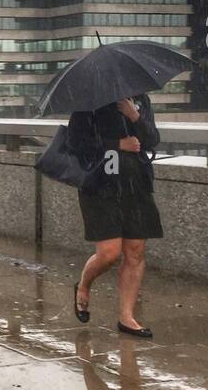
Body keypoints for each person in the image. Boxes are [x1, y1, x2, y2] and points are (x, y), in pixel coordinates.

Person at [68, 94, 162, 338]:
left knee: (135, 251)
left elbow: (152, 139)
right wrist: (116, 145)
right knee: (109, 254)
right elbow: (76, 143)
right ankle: (84, 285)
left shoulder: (140, 99)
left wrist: (135, 116)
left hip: (136, 184)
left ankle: (127, 317)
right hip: (100, 186)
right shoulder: (89, 102)